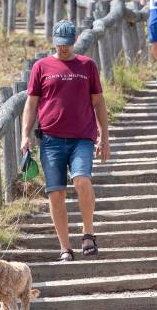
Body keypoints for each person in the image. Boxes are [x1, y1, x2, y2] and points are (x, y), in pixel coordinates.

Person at [21, 20, 110, 262]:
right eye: (60, 44)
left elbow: (98, 102)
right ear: (53, 41)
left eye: (67, 44)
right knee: (56, 193)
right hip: (50, 139)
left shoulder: (87, 65)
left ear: (74, 41)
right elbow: (31, 103)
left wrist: (105, 136)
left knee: (82, 180)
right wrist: (25, 135)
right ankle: (65, 247)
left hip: (82, 137)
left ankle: (88, 232)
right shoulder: (41, 67)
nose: (63, 49)